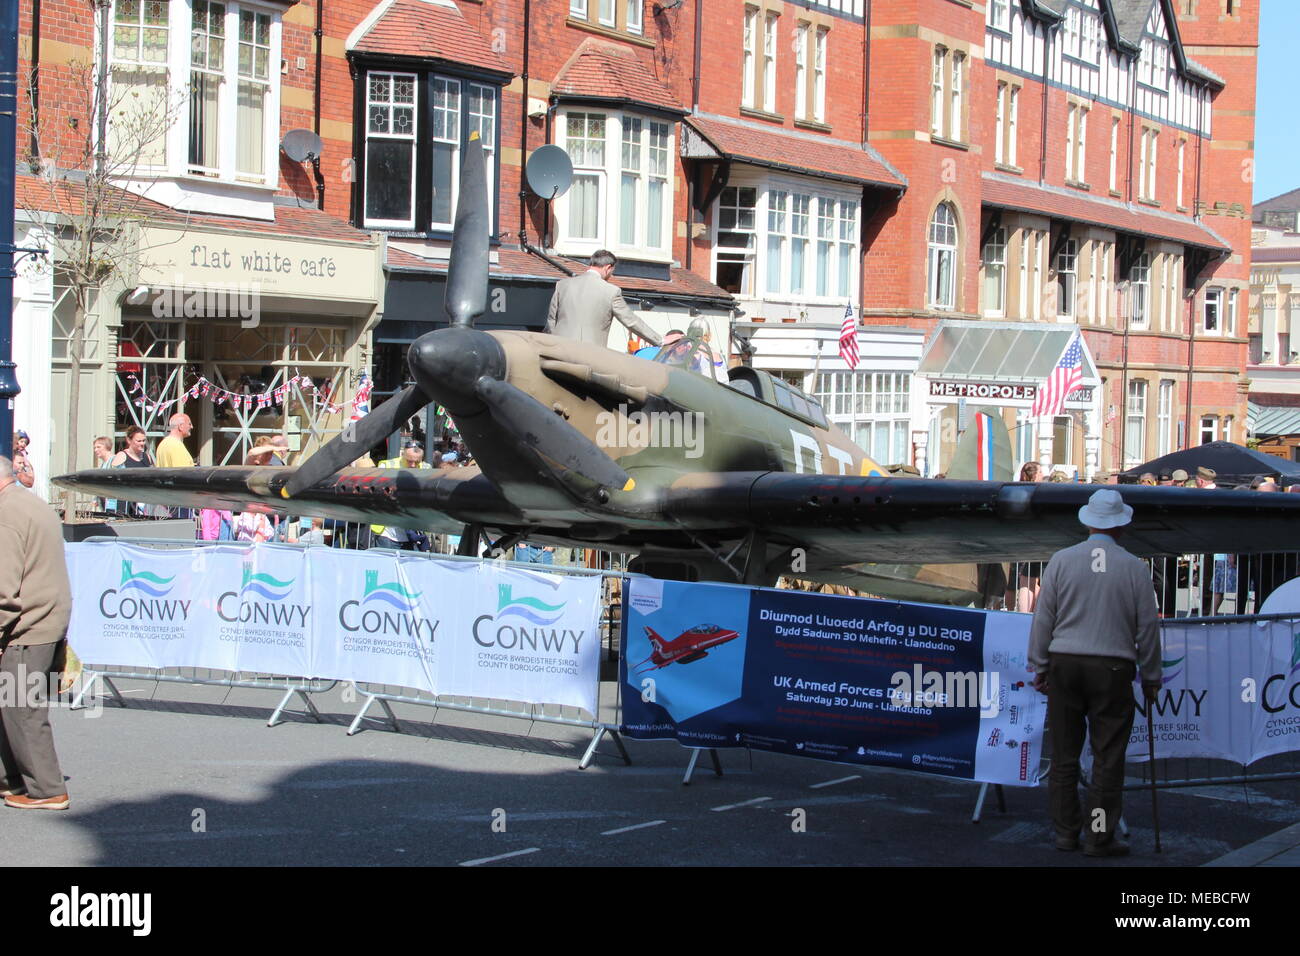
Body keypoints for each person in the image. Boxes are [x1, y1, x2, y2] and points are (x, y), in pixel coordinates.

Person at [1028, 488, 1161, 856]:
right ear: (1120, 526)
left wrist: (1039, 665)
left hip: (1065, 663)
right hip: (1112, 667)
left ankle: (1066, 832)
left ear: (1088, 523)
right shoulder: (1134, 567)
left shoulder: (1061, 560)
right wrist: (1151, 675)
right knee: (1106, 758)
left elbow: (1044, 619)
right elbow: (1147, 628)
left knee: (1064, 755)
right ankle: (1098, 835)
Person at [0, 456, 73, 810]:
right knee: (12, 704)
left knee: (21, 707)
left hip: (27, 625)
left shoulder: (7, 513)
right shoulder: (31, 502)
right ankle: (14, 779)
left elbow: (3, 587)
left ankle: (47, 789)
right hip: (45, 617)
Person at [545, 250, 663, 349]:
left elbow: (551, 321)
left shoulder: (562, 285)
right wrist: (660, 340)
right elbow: (631, 321)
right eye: (612, 272)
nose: (611, 275)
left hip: (560, 350)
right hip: (591, 354)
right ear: (608, 268)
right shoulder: (611, 291)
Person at [371, 440, 433, 551]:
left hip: (413, 531)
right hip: (388, 532)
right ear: (403, 455)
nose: (413, 465)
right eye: (409, 461)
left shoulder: (426, 468)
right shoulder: (387, 465)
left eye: (417, 462)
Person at [1015, 462, 1043, 612]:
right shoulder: (1038, 492)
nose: (1042, 475)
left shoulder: (1018, 490)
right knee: (1028, 582)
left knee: (1028, 582)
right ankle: (1028, 615)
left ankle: (1025, 616)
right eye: (1040, 472)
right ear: (1035, 475)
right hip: (1036, 541)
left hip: (1023, 539)